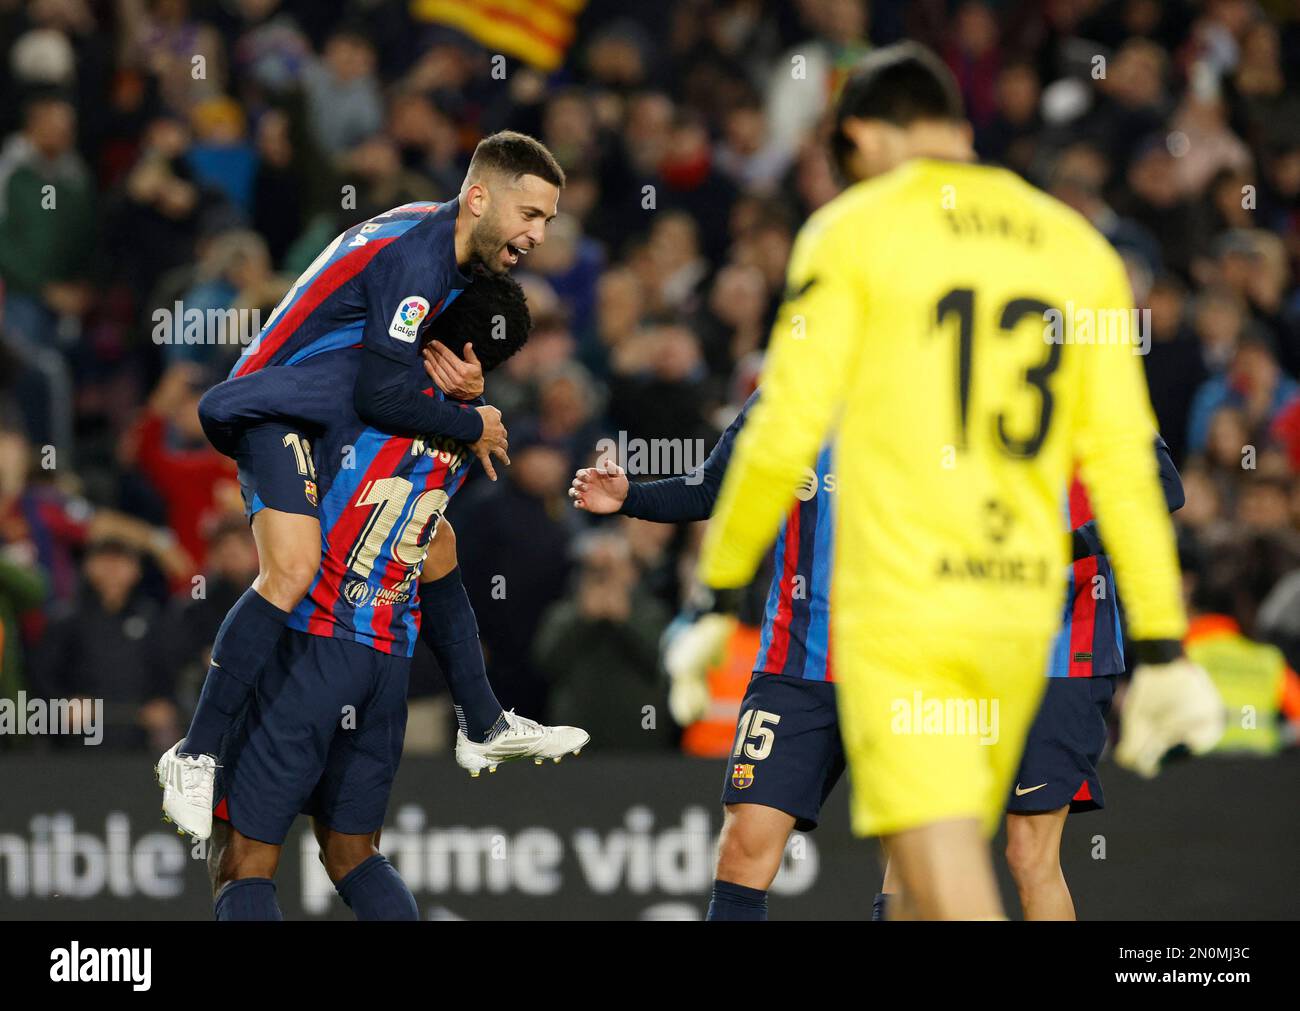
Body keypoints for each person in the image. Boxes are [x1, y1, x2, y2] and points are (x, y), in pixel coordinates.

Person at [693, 42, 1223, 920]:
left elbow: (781, 428)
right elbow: (1131, 468)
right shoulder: (1075, 244)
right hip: (1026, 619)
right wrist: (1164, 646)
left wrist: (716, 594)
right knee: (938, 878)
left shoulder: (856, 229)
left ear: (861, 136)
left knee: (933, 856)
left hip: (912, 606)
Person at [158, 131, 564, 806]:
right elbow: (380, 392)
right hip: (276, 405)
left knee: (432, 536)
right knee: (291, 568)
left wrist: (466, 397)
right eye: (531, 214)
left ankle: (484, 721)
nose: (540, 234)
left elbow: (393, 371)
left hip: (319, 407)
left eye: (547, 219)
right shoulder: (421, 261)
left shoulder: (443, 247)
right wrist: (474, 420)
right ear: (479, 195)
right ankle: (195, 753)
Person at [196, 274, 586, 920]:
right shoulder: (470, 432)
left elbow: (241, 398)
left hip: (310, 645)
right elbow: (439, 550)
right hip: (386, 664)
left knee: (243, 858)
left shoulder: (366, 388)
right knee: (353, 854)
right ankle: (483, 717)